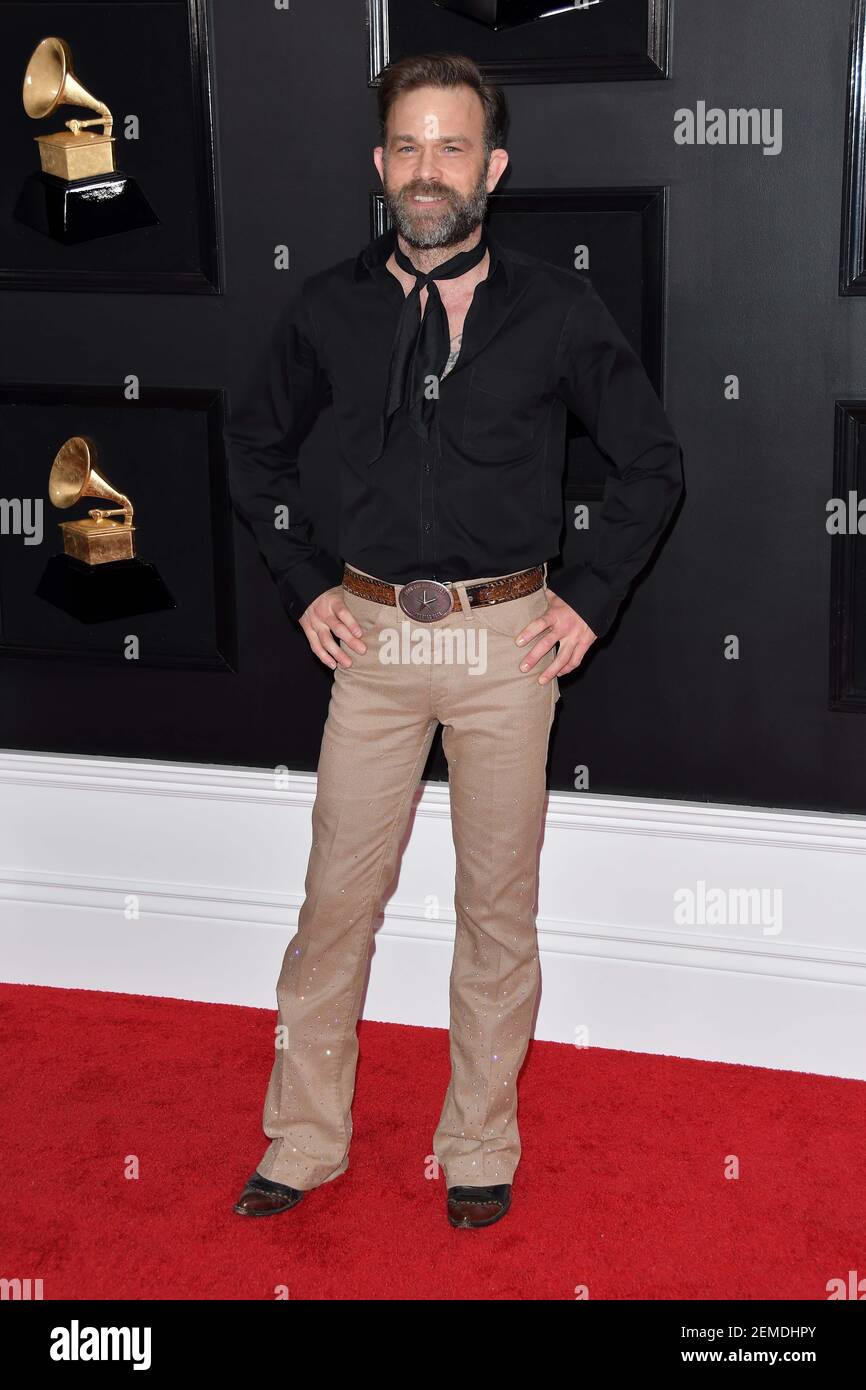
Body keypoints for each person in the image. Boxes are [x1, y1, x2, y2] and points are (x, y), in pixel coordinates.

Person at [223, 52, 684, 1230]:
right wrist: (298, 581)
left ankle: (477, 1141)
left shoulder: (557, 308)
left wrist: (585, 598)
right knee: (335, 902)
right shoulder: (326, 304)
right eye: (409, 147)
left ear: (493, 168)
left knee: (496, 910)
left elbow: (650, 463)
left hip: (506, 648)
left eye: (453, 147)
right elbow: (254, 451)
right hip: (371, 647)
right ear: (380, 166)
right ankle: (304, 1135)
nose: (430, 171)